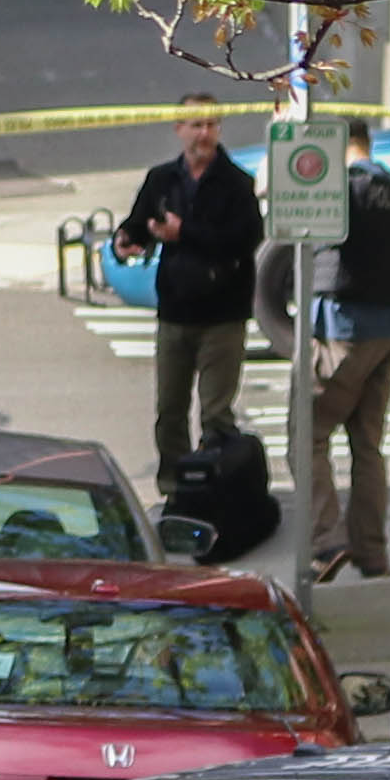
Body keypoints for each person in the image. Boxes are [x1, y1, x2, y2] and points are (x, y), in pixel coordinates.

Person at [122, 97, 265, 492]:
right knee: (169, 411)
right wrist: (127, 239)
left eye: (211, 125)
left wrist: (185, 233)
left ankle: (218, 491)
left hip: (222, 315)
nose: (204, 133)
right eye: (196, 125)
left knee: (216, 415)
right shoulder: (162, 179)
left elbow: (246, 239)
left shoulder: (236, 183)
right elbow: (138, 222)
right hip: (175, 312)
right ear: (179, 128)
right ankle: (175, 487)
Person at [306, 152, 390, 575]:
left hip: (342, 330)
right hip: (389, 333)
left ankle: (326, 542)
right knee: (368, 445)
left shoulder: (335, 187)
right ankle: (372, 552)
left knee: (307, 435)